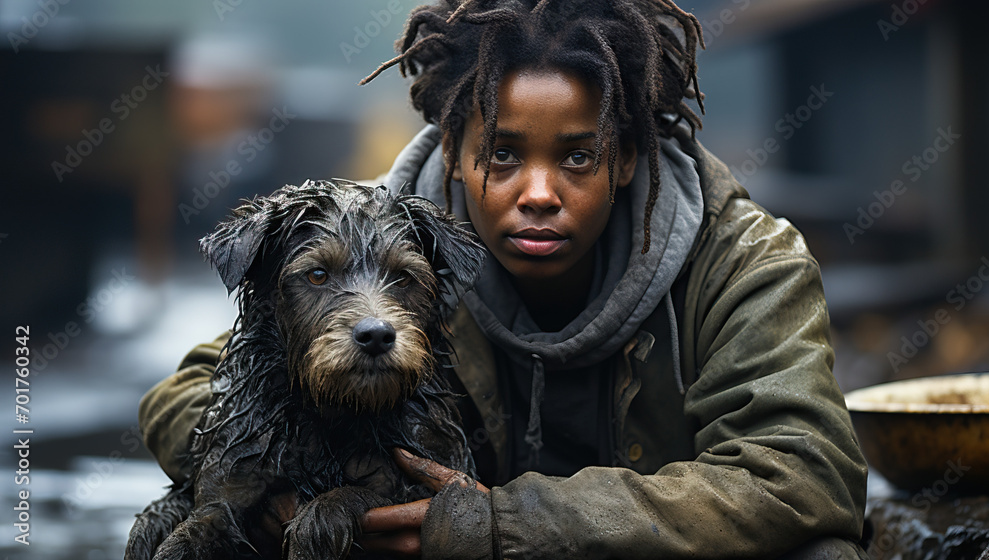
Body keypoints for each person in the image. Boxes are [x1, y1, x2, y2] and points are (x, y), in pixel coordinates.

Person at [138, 0, 870, 558]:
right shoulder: (388, 245)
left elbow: (803, 473)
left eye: (578, 157)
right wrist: (274, 500)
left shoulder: (747, 261)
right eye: (504, 154)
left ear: (626, 158)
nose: (540, 191)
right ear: (452, 147)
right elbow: (192, 388)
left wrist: (505, 527)